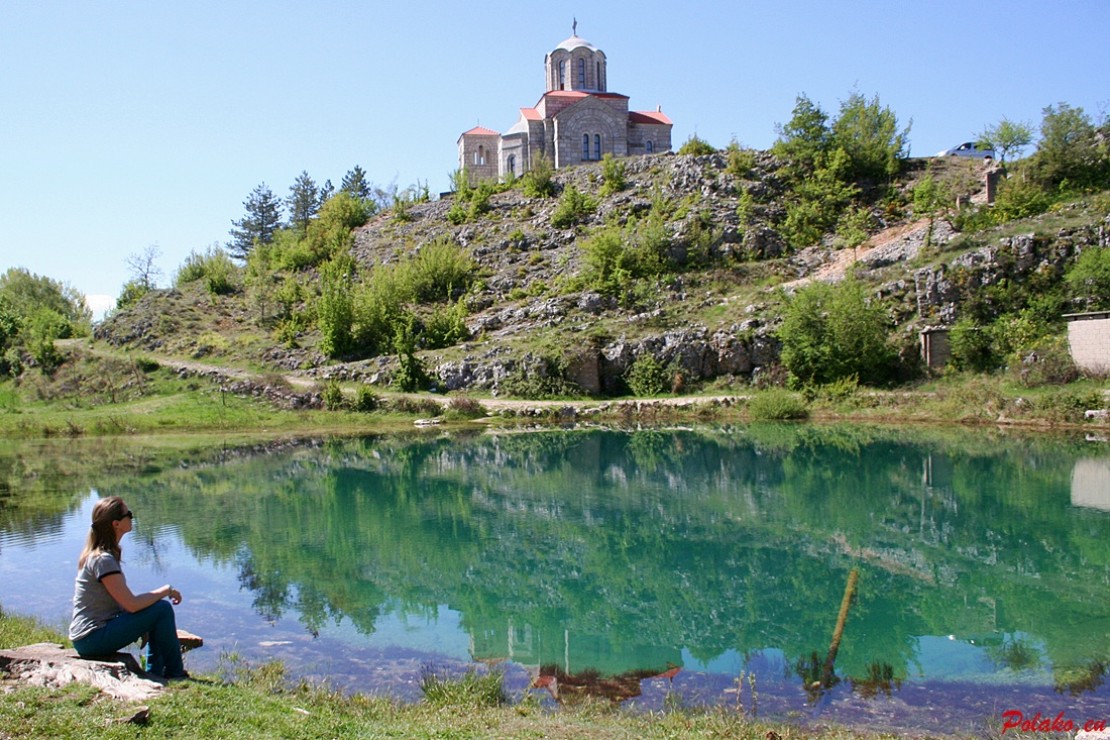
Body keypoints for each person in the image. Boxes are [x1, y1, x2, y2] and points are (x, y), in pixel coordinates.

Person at [68, 496, 189, 679]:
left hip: (90, 637)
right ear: (116, 524)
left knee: (155, 611)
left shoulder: (103, 555)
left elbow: (125, 604)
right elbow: (131, 604)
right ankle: (175, 673)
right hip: (92, 638)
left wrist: (145, 615)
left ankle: (156, 672)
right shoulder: (103, 559)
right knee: (162, 609)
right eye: (128, 514)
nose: (132, 518)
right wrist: (165, 590)